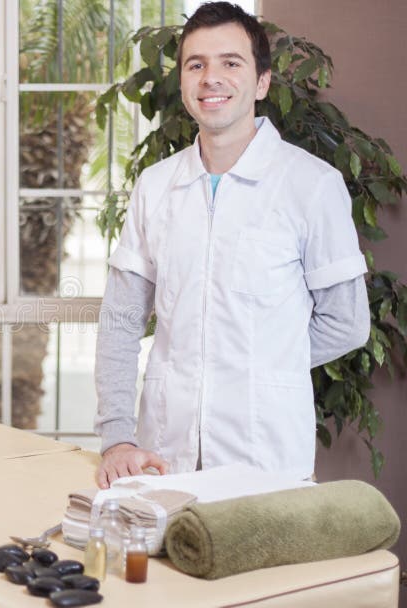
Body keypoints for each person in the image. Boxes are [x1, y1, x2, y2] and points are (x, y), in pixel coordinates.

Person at [94, 2, 369, 489]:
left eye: (231, 63)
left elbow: (347, 322)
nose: (210, 78)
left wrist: (251, 363)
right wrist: (117, 438)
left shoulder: (312, 185)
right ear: (182, 82)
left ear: (262, 82)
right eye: (195, 64)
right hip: (162, 454)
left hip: (266, 455)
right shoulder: (154, 188)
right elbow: (120, 320)